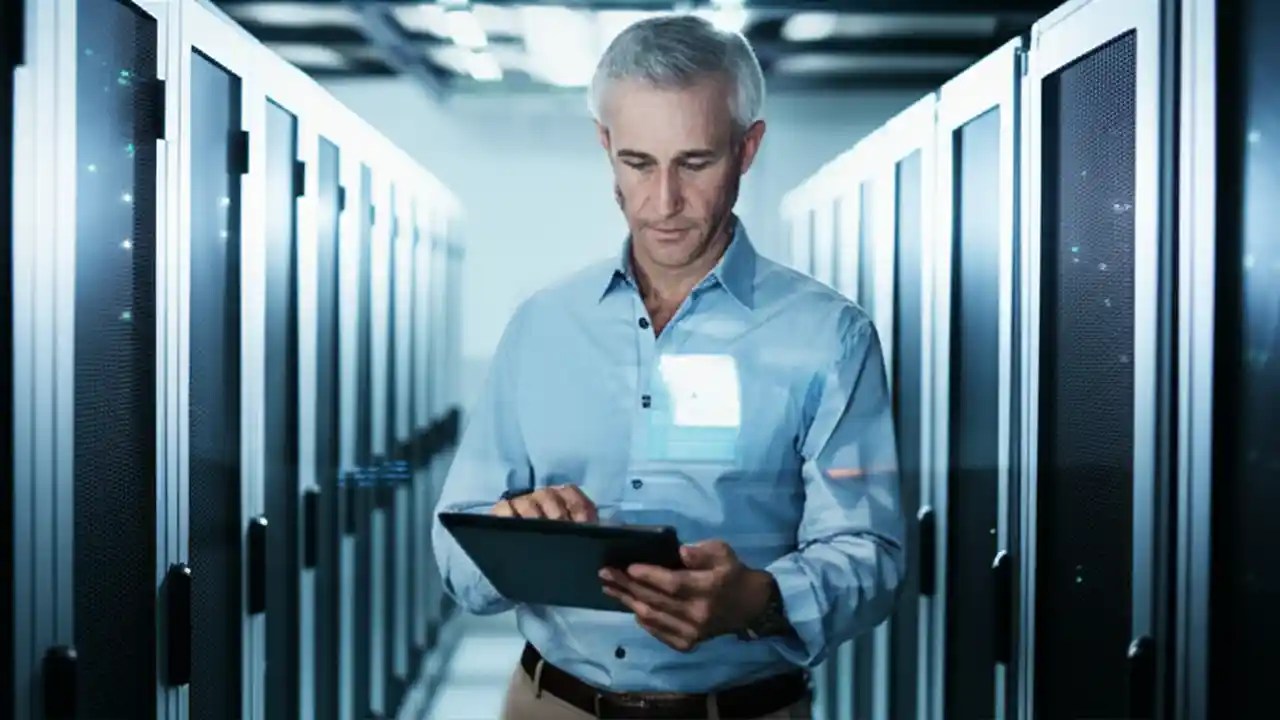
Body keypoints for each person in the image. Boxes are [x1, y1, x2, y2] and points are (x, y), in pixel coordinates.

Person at [431, 13, 904, 720]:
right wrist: (512, 530)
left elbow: (871, 555)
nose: (663, 205)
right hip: (550, 705)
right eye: (637, 163)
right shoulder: (542, 327)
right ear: (605, 146)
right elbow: (457, 555)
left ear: (748, 149)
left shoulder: (828, 338)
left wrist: (761, 600)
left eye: (695, 162)